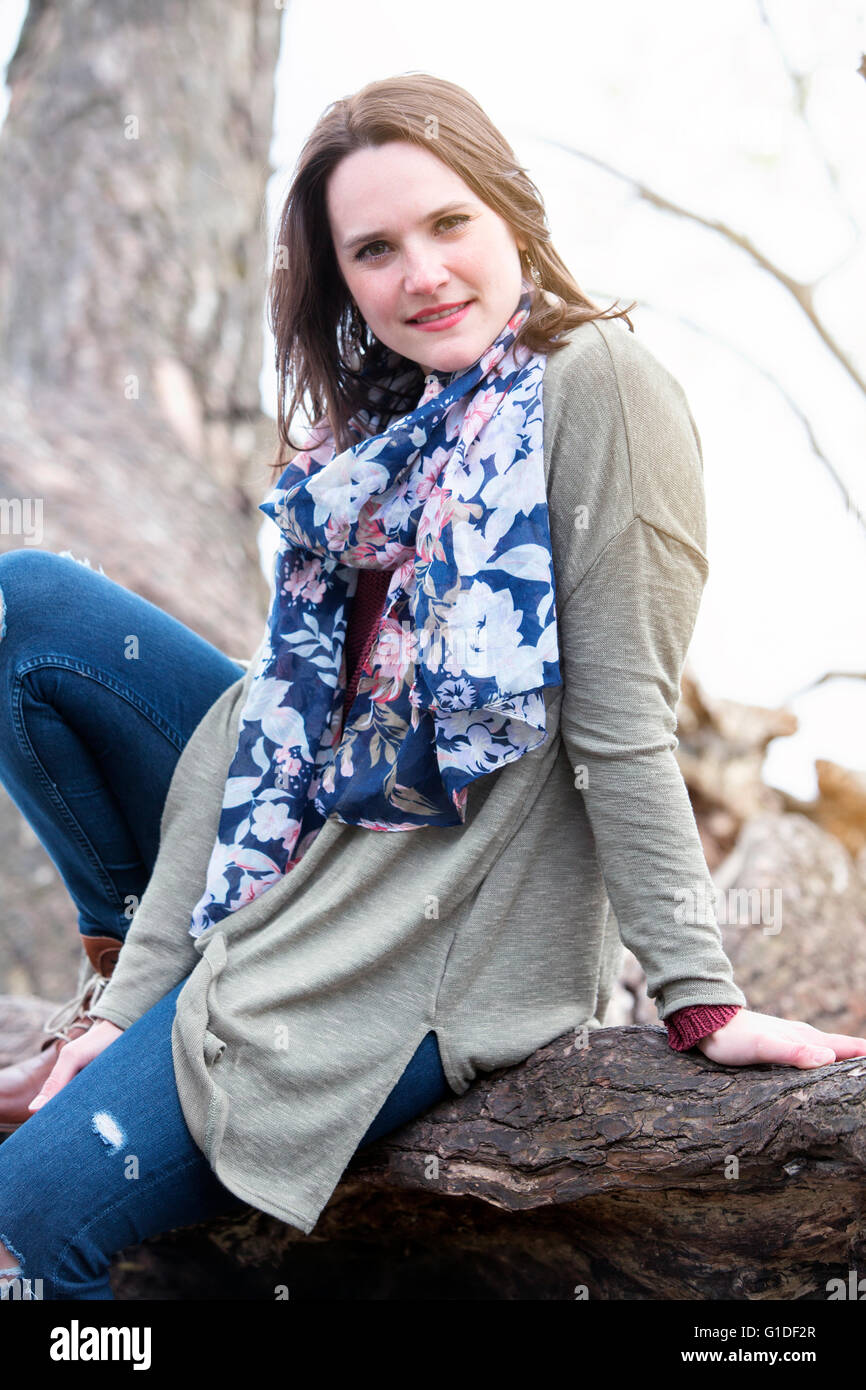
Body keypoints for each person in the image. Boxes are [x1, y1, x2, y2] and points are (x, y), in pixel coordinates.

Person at [1, 71, 864, 1302]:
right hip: (295, 857)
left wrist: (700, 1000)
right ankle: (134, 989)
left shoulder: (596, 388)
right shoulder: (383, 443)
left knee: (23, 1225)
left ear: (510, 213)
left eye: (448, 224)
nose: (422, 273)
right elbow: (260, 739)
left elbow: (622, 728)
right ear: (340, 277)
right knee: (26, 606)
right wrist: (119, 1010)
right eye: (375, 249)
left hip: (422, 932)